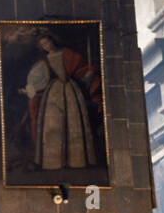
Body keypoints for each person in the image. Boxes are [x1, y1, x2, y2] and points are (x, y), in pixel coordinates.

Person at [19, 29, 102, 170]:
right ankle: (55, 161)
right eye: (43, 45)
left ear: (53, 40)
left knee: (73, 122)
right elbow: (41, 80)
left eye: (47, 42)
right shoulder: (44, 62)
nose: (47, 46)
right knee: (53, 125)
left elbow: (82, 67)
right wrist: (29, 89)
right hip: (53, 93)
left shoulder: (67, 53)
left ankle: (77, 160)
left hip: (70, 89)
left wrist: (87, 75)